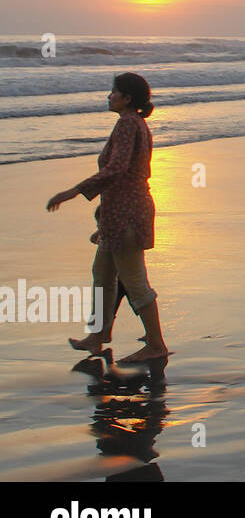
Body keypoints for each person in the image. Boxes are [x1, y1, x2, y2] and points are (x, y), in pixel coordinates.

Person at [46, 72, 167, 364]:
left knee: (135, 281)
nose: (108, 96)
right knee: (102, 275)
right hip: (119, 212)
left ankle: (156, 344)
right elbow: (120, 176)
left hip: (128, 212)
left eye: (113, 92)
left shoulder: (128, 123)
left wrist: (74, 191)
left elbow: (117, 170)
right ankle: (96, 336)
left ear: (126, 98)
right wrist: (103, 220)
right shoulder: (134, 122)